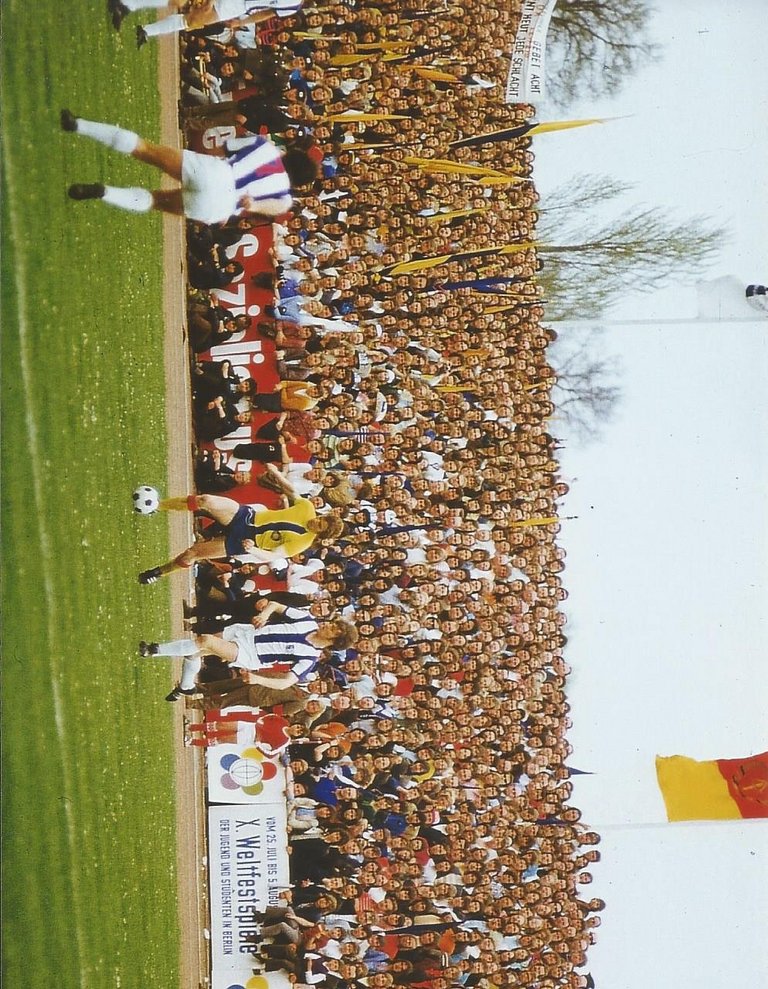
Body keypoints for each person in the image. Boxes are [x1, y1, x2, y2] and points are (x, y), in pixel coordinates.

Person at [61, 109, 317, 224]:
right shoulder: (284, 197)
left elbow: (223, 149)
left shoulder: (267, 147)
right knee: (156, 201)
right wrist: (255, 205)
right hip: (221, 207)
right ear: (297, 183)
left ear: (290, 156)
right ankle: (105, 193)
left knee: (146, 149)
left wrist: (198, 163)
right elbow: (277, 206)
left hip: (217, 173)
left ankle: (78, 125)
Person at [139, 604, 357, 700]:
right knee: (196, 651)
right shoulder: (307, 621)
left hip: (250, 654)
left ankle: (153, 649)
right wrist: (265, 614)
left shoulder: (309, 658)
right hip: (247, 633)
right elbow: (275, 604)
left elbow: (284, 683)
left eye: (333, 629)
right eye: (332, 623)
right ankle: (186, 687)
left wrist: (257, 679)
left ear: (334, 641)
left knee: (205, 641)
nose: (328, 625)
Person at [137, 492, 343, 583]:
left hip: (246, 543)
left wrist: (252, 549)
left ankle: (159, 572)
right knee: (206, 500)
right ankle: (157, 505)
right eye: (320, 519)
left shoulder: (303, 542)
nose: (315, 522)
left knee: (192, 554)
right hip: (247, 517)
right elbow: (293, 492)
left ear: (321, 534)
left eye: (320, 526)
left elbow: (271, 556)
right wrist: (278, 475)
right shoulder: (307, 508)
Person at [108, 0, 304, 47]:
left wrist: (242, 21)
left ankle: (145, 30)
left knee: (193, 21)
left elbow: (266, 13)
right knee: (182, 1)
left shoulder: (294, 5)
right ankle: (127, 4)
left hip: (238, 7)